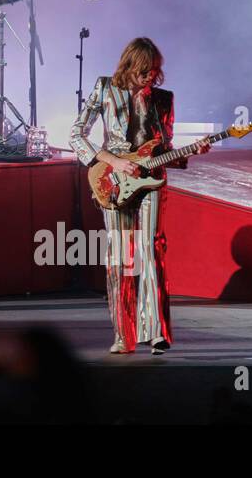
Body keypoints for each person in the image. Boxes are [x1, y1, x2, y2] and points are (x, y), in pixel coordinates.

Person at [69, 37, 209, 355]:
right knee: (120, 257)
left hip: (152, 182)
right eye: (145, 71)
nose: (151, 78)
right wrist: (113, 161)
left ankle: (157, 332)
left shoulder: (163, 99)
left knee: (151, 250)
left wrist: (192, 151)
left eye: (155, 72)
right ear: (130, 66)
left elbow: (166, 148)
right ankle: (124, 335)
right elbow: (76, 133)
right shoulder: (104, 88)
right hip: (114, 180)